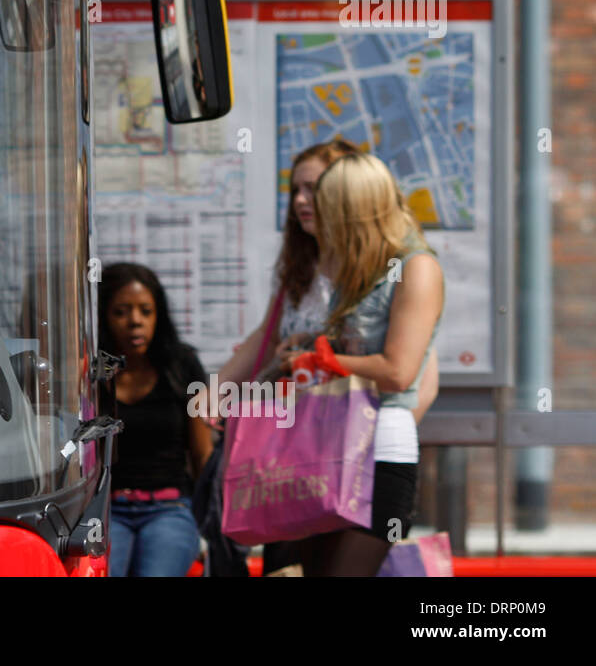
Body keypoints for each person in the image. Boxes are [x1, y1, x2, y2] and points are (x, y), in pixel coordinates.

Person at [220, 137, 438, 574]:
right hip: (302, 450)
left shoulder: (407, 268)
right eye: (297, 192)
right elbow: (274, 342)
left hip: (372, 447)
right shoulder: (318, 269)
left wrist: (317, 363)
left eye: (318, 192)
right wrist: (220, 394)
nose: (305, 203)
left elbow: (405, 372)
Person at [280, 152, 445, 576]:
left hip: (381, 451)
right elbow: (353, 349)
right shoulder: (358, 268)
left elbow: (398, 371)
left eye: (330, 208)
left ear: (356, 210)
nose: (320, 218)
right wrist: (312, 345)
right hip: (329, 444)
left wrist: (320, 358)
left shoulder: (417, 267)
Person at [101, 263, 211, 577]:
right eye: (121, 312)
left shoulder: (182, 364)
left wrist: (209, 520)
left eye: (145, 311)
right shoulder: (92, 372)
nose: (135, 322)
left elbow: (202, 453)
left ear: (158, 315)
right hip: (108, 512)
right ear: (104, 317)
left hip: (170, 508)